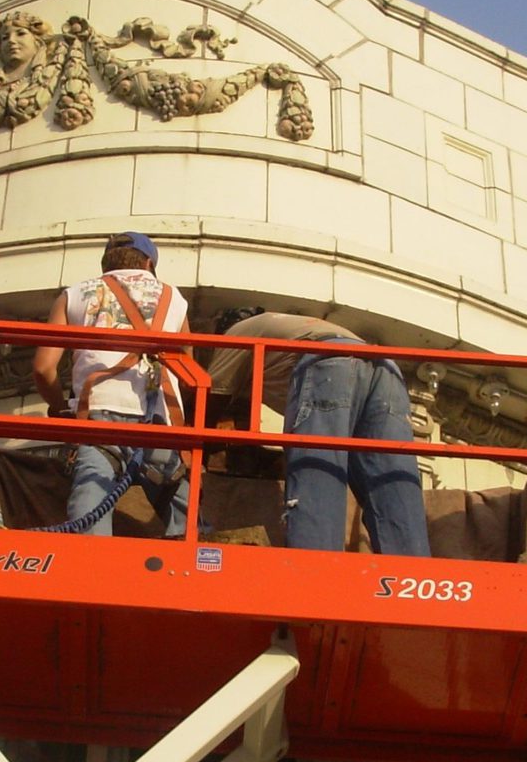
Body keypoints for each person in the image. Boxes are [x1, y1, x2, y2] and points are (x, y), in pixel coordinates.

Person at [206, 308, 430, 556]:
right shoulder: (285, 327)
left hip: (330, 364)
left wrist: (195, 453)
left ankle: (314, 563)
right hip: (387, 370)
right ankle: (413, 569)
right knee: (391, 479)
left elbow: (209, 399)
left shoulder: (236, 333)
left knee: (318, 471)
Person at [31, 231, 191, 537]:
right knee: (183, 508)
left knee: (90, 503)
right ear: (148, 263)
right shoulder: (174, 298)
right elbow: (187, 371)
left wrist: (60, 408)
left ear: (106, 264)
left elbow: (43, 368)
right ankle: (194, 555)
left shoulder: (74, 294)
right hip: (159, 417)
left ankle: (88, 561)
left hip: (98, 415)